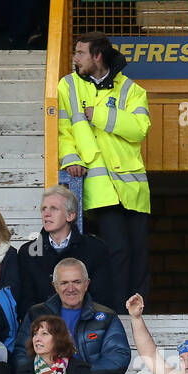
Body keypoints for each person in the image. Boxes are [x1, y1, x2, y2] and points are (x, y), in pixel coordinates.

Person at [58, 32, 150, 307]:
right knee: (117, 250)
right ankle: (120, 310)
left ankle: (143, 308)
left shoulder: (132, 90)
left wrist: (97, 114)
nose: (75, 59)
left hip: (133, 186)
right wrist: (71, 158)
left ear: (97, 56)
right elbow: (64, 130)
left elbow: (139, 130)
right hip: (100, 187)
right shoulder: (69, 86)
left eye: (80, 53)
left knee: (140, 251)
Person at [13, 258, 129, 374]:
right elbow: (21, 352)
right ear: (55, 286)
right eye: (64, 283)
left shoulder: (106, 317)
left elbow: (118, 358)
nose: (71, 288)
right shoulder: (37, 313)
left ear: (87, 284)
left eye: (77, 282)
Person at [16, 186, 114, 316]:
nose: (46, 213)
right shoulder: (27, 252)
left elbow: (102, 298)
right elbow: (26, 303)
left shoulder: (95, 249)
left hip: (84, 328)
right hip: (42, 328)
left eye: (54, 208)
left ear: (70, 215)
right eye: (44, 209)